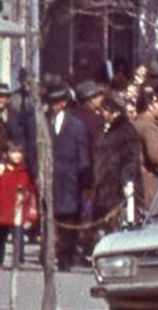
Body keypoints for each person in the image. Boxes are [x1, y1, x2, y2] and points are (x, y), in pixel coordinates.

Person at [46, 82, 90, 270]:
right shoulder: (47, 122)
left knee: (69, 219)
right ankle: (49, 254)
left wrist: (84, 178)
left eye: (58, 101)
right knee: (51, 217)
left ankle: (66, 256)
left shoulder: (76, 125)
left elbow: (82, 154)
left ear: (64, 102)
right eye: (52, 102)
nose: (54, 105)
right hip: (52, 178)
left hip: (70, 179)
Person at [93, 92, 142, 234]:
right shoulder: (103, 129)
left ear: (111, 110)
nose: (100, 113)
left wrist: (127, 182)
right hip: (103, 186)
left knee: (119, 226)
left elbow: (131, 159)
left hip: (119, 188)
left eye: (103, 110)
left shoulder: (126, 130)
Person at [0, 142, 37, 267]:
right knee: (1, 237)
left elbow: (28, 188)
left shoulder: (23, 171)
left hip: (17, 210)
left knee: (18, 235)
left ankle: (17, 259)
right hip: (3, 209)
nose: (17, 156)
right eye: (14, 152)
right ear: (7, 154)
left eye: (19, 152)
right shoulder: (2, 170)